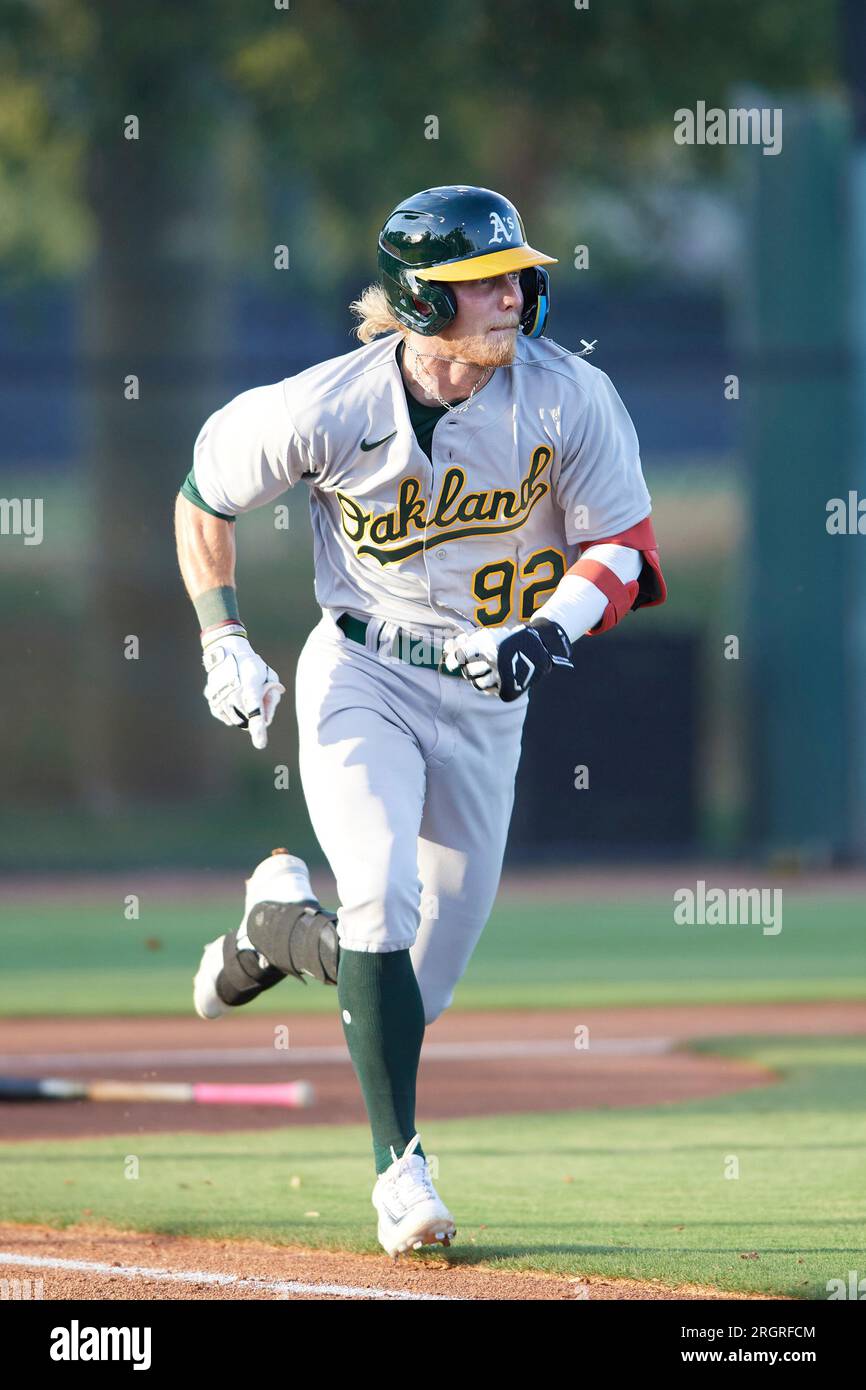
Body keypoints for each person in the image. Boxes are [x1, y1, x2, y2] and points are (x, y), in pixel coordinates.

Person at [174, 184, 667, 1259]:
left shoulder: (567, 396)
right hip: (363, 672)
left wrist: (542, 633)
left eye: (512, 275)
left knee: (414, 986)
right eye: (478, 281)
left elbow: (621, 546)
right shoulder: (325, 404)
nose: (509, 293)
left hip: (491, 698)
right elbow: (202, 498)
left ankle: (273, 931)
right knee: (379, 891)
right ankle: (400, 1173)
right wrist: (223, 637)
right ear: (417, 298)